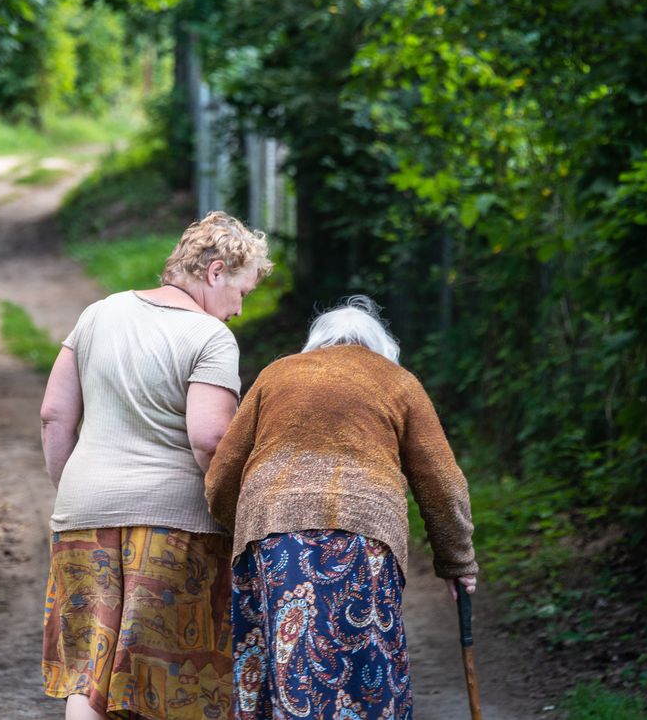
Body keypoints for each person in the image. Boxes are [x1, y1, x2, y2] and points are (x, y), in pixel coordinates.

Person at [40, 211, 274, 720]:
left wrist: (74, 490)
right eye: (242, 292)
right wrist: (238, 515)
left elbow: (54, 414)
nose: (238, 309)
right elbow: (210, 439)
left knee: (90, 675)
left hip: (83, 516)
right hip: (174, 527)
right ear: (215, 272)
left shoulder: (99, 313)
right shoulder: (209, 337)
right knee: (164, 683)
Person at [205, 295, 478, 720]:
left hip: (274, 532)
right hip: (365, 536)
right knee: (365, 658)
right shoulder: (398, 381)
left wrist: (237, 529)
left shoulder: (277, 374)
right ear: (382, 347)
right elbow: (442, 482)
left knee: (285, 661)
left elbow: (223, 471)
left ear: (316, 342)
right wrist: (458, 562)